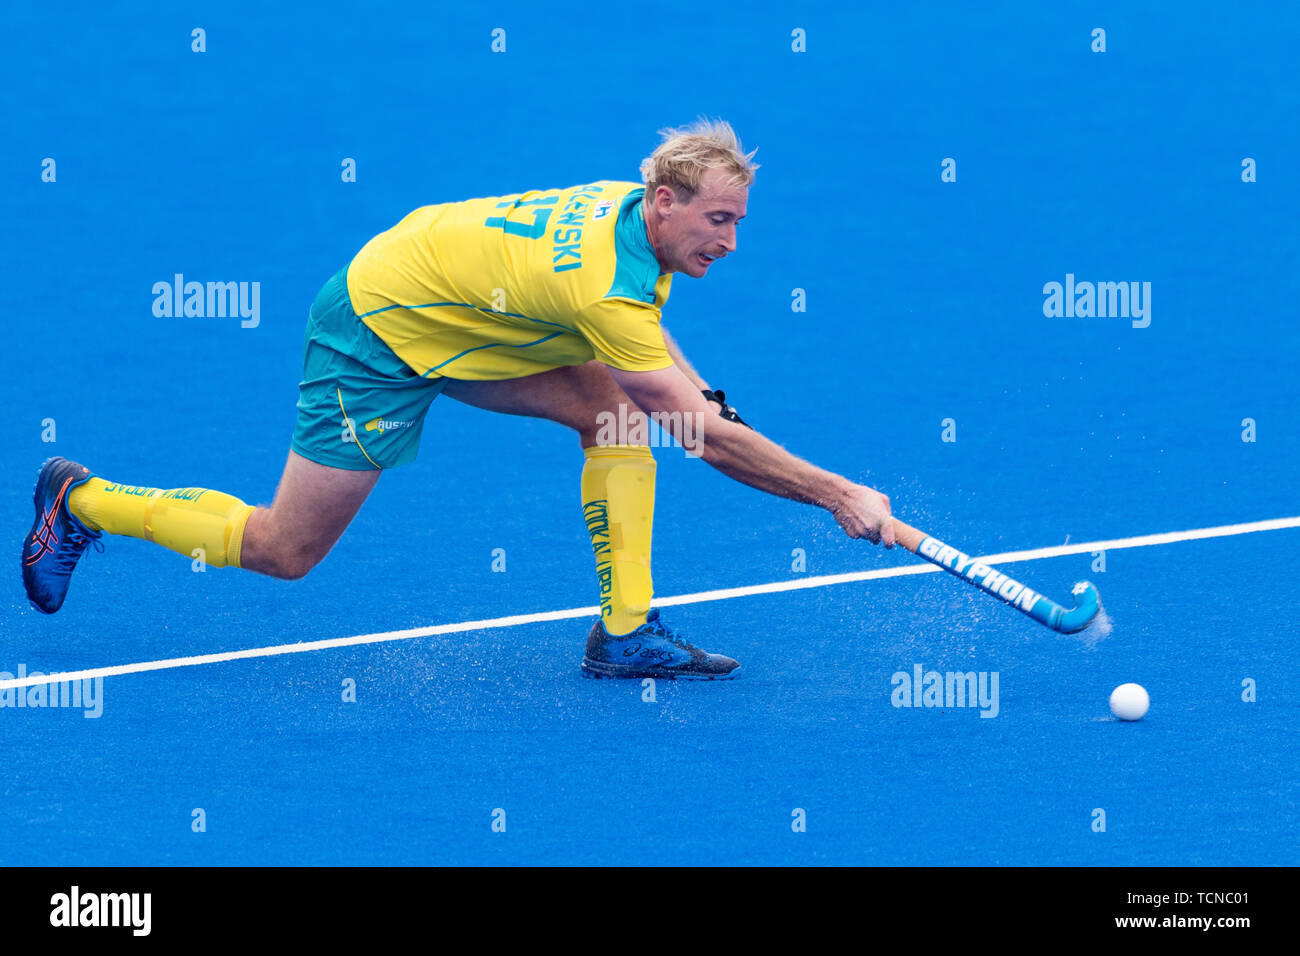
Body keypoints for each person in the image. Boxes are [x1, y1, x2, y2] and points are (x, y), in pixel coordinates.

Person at [21, 118, 895, 679]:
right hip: (378, 328)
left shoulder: (633, 218)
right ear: (665, 202)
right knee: (285, 549)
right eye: (719, 221)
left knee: (620, 415)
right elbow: (697, 432)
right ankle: (80, 498)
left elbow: (657, 364)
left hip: (467, 312)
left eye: (740, 221)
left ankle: (626, 633)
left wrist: (706, 395)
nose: (733, 241)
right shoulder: (604, 285)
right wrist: (839, 495)